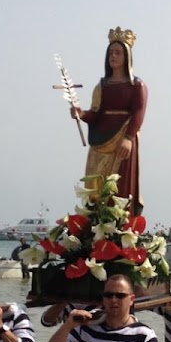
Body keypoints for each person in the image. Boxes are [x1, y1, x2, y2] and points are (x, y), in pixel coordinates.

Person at [70, 26, 147, 214]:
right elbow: (96, 114)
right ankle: (94, 220)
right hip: (100, 139)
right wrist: (81, 114)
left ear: (126, 56)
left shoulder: (136, 86)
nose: (113, 56)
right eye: (111, 52)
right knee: (94, 183)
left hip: (123, 138)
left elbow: (138, 112)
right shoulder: (101, 86)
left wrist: (128, 138)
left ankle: (118, 223)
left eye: (118, 52)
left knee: (119, 186)